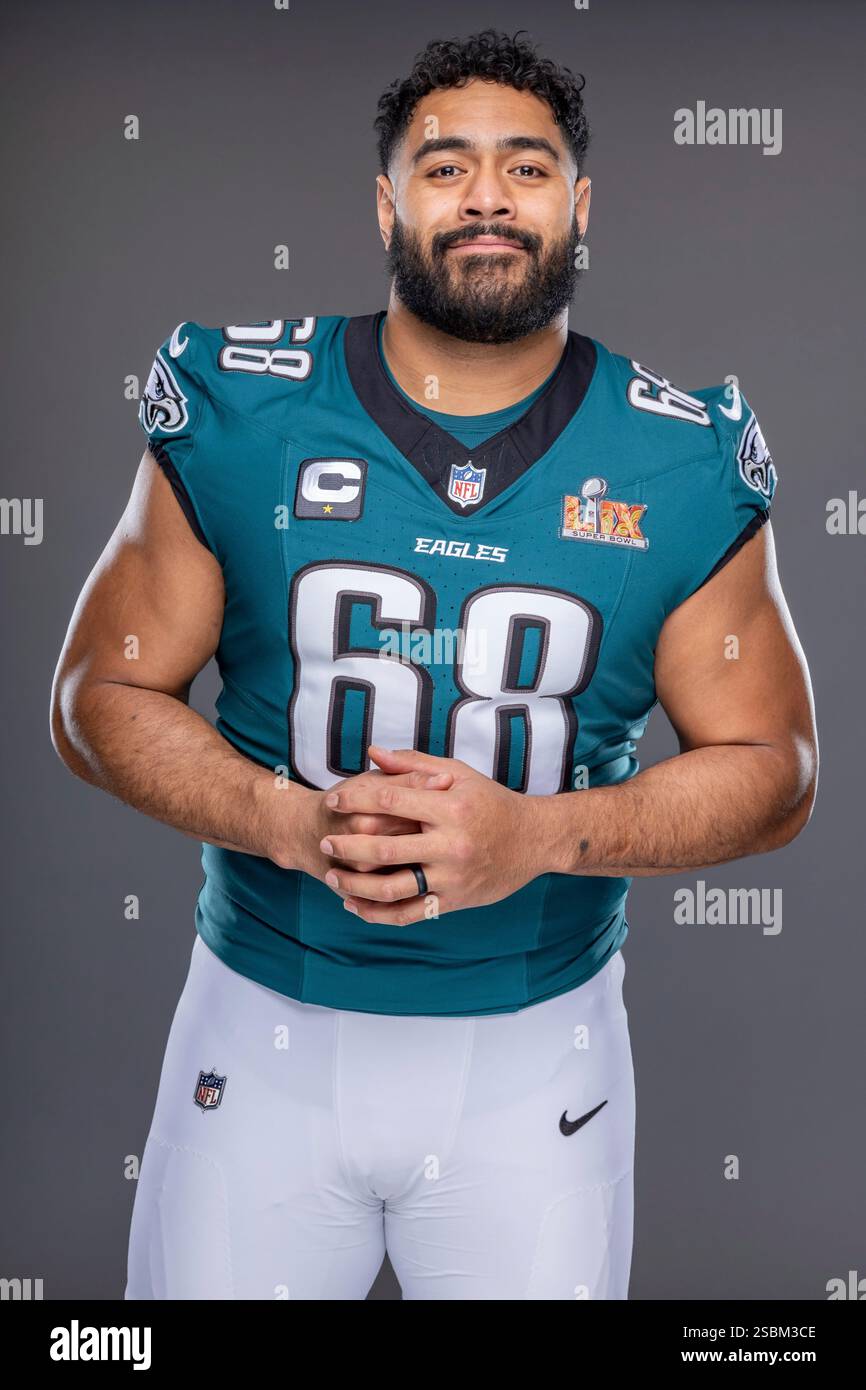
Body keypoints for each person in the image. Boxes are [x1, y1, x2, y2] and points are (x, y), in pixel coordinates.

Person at [50, 28, 817, 1300]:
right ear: (386, 201)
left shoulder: (676, 458)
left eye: (524, 170)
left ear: (577, 206)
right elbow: (96, 696)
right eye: (444, 165)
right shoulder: (247, 407)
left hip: (537, 1060)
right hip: (259, 1024)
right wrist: (284, 821)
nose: (484, 198)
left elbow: (774, 769)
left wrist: (536, 836)